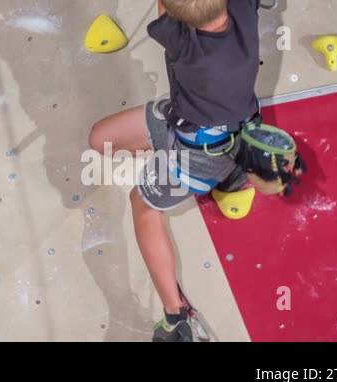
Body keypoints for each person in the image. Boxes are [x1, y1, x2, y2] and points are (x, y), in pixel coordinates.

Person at [89, 0, 263, 342]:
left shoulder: (184, 44)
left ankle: (176, 318)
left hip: (200, 151)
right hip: (209, 120)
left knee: (143, 204)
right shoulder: (241, 8)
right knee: (101, 139)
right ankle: (231, 176)